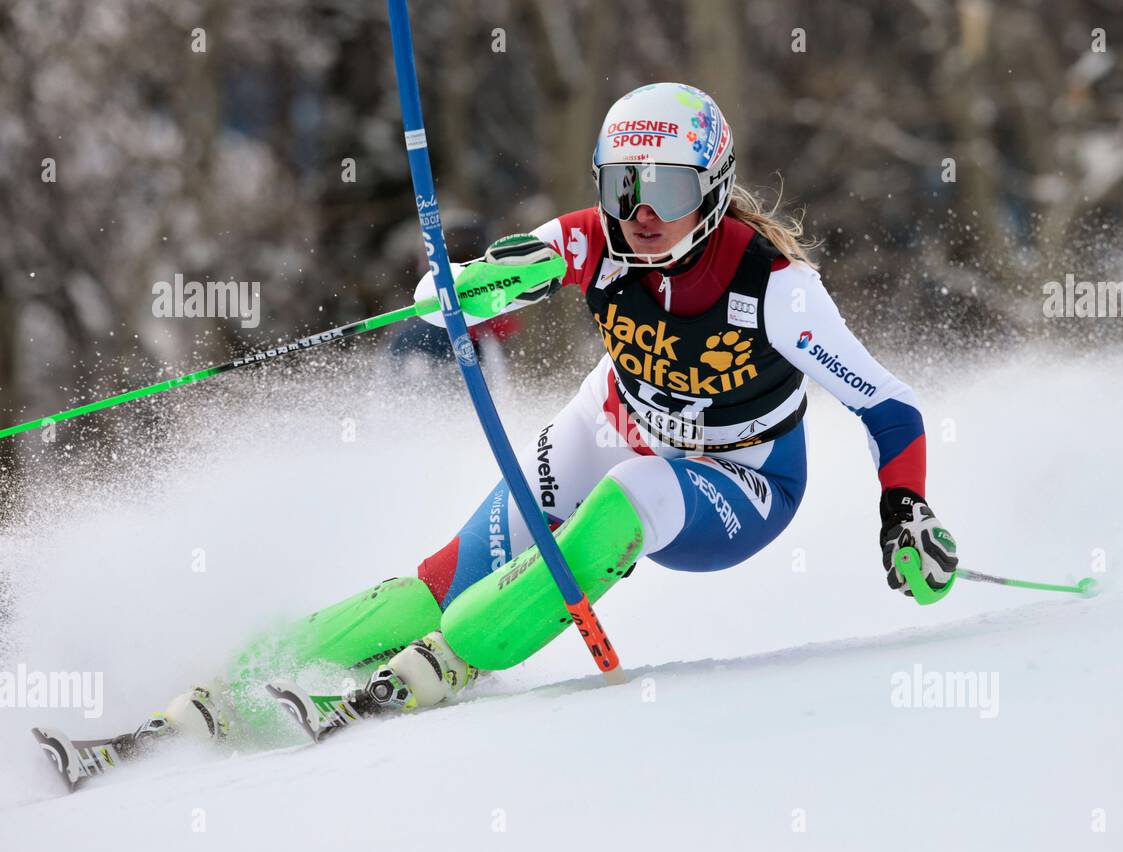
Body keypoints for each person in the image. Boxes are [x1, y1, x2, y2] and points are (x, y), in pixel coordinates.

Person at [82, 83, 960, 757]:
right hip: (614, 421)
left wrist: (905, 511)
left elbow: (891, 408)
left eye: (667, 188)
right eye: (623, 187)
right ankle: (233, 685)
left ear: (716, 188)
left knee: (622, 502)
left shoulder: (780, 292)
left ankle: (448, 661)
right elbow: (482, 275)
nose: (641, 212)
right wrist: (464, 291)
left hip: (742, 479)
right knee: (445, 574)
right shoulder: (601, 240)